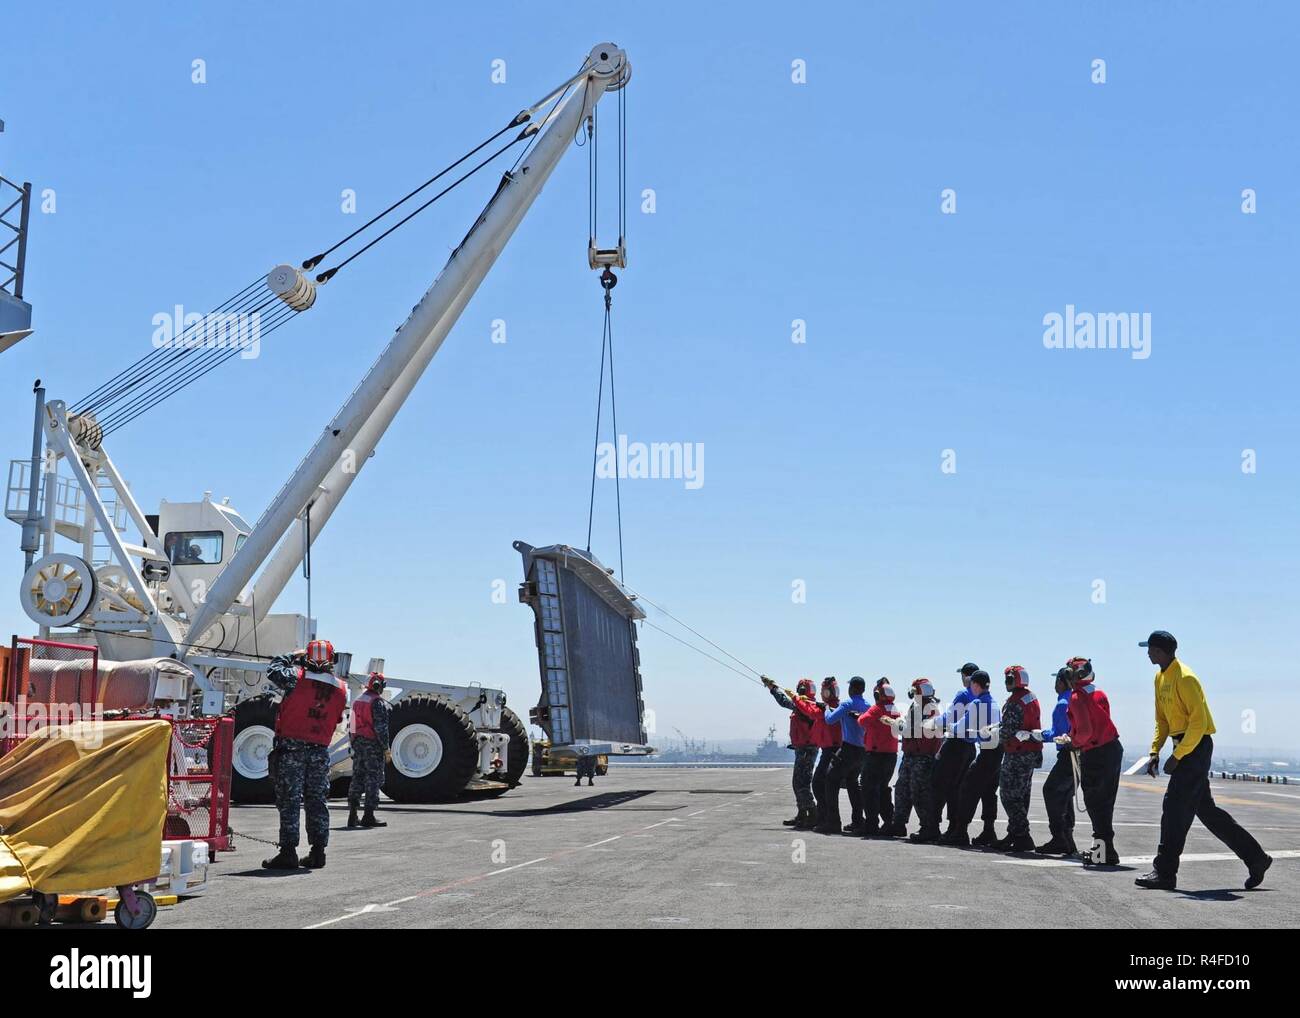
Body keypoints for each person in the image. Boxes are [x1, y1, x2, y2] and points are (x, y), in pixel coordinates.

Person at [1134, 631, 1272, 891]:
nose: (1147, 653)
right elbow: (1162, 721)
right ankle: (1256, 858)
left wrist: (1177, 756)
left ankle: (1164, 872)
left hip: (1195, 746)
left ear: (1161, 651)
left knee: (1173, 807)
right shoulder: (1159, 677)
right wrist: (1154, 751)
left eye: (1150, 649)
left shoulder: (1186, 678)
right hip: (1182, 745)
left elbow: (1198, 724)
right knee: (1207, 812)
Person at [262, 640, 348, 870]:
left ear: (306, 658)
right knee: (317, 801)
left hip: (291, 749)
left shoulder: (295, 676)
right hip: (319, 751)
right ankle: (318, 852)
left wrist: (291, 655)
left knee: (290, 800)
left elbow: (273, 669)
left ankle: (288, 852)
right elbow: (337, 718)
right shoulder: (342, 688)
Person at [1055, 657, 1122, 866]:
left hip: (1096, 753)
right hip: (1111, 748)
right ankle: (1106, 849)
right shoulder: (1098, 692)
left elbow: (1085, 731)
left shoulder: (1077, 696)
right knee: (1106, 802)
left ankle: (1103, 853)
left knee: (1095, 803)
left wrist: (1072, 742)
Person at [934, 669, 999, 847]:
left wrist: (948, 728)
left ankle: (960, 831)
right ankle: (988, 831)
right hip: (996, 752)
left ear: (975, 685)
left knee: (966, 790)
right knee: (988, 793)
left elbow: (962, 726)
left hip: (985, 752)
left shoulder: (976, 703)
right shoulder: (993, 703)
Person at [1027, 667, 1076, 855]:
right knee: (1065, 795)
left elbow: (1059, 734)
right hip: (1079, 755)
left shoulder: (1063, 703)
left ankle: (1059, 837)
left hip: (1067, 754)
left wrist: (1038, 735)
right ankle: (1067, 837)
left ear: (1062, 682)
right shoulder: (1075, 699)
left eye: (1057, 681)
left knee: (1051, 791)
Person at [886, 678, 942, 842]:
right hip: (911, 755)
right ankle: (899, 823)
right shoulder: (919, 706)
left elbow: (914, 730)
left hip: (922, 757)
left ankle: (929, 827)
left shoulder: (928, 708)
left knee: (920, 792)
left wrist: (895, 724)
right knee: (902, 789)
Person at [762, 675, 819, 829]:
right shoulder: (803, 705)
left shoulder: (807, 706)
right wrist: (772, 688)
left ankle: (813, 814)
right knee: (797, 782)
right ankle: (802, 813)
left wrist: (775, 689)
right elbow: (786, 702)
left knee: (803, 783)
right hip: (802, 748)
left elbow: (789, 703)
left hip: (807, 749)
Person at [995, 665, 1042, 852]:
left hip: (1017, 753)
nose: (1006, 683)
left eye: (1008, 680)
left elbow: (1007, 730)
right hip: (1030, 752)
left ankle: (1022, 835)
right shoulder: (1030, 697)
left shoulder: (1014, 701)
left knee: (1008, 794)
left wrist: (990, 734)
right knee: (1022, 795)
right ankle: (1014, 833)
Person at [814, 676, 869, 835]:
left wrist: (825, 708)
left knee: (830, 781)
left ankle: (833, 822)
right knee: (852, 783)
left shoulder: (847, 704)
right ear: (863, 690)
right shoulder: (867, 706)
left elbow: (830, 720)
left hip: (848, 749)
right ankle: (858, 821)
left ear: (851, 688)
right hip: (862, 752)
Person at [929, 663, 981, 830]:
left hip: (955, 745)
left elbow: (949, 718)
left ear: (967, 677)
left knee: (938, 784)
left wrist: (930, 723)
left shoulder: (964, 694)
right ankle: (955, 829)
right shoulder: (981, 697)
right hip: (971, 747)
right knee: (957, 788)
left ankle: (932, 827)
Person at [347, 672, 391, 828]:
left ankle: (352, 815)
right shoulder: (377, 703)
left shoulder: (357, 701)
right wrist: (386, 749)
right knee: (373, 778)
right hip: (372, 744)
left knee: (357, 777)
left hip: (358, 743)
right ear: (380, 686)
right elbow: (381, 729)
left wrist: (353, 743)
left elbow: (351, 726)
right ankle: (368, 815)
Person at [857, 679, 900, 837]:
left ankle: (871, 823)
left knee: (868, 788)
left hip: (875, 755)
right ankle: (889, 822)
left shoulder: (877, 708)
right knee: (883, 788)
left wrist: (864, 714)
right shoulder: (894, 709)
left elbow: (862, 721)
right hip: (891, 755)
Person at [809, 678, 842, 828]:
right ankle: (827, 818)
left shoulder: (827, 709)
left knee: (819, 784)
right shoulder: (835, 707)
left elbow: (809, 711)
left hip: (830, 751)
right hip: (830, 750)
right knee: (825, 785)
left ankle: (827, 819)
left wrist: (796, 698)